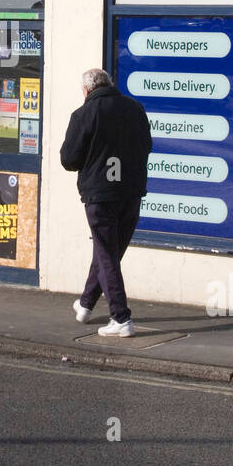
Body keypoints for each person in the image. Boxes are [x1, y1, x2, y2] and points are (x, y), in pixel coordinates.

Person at [59, 68, 152, 336]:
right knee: (108, 253)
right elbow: (147, 145)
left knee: (107, 254)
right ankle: (86, 304)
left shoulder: (84, 114)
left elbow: (69, 159)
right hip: (131, 193)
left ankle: (121, 318)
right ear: (110, 84)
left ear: (87, 90)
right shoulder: (135, 109)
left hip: (100, 195)